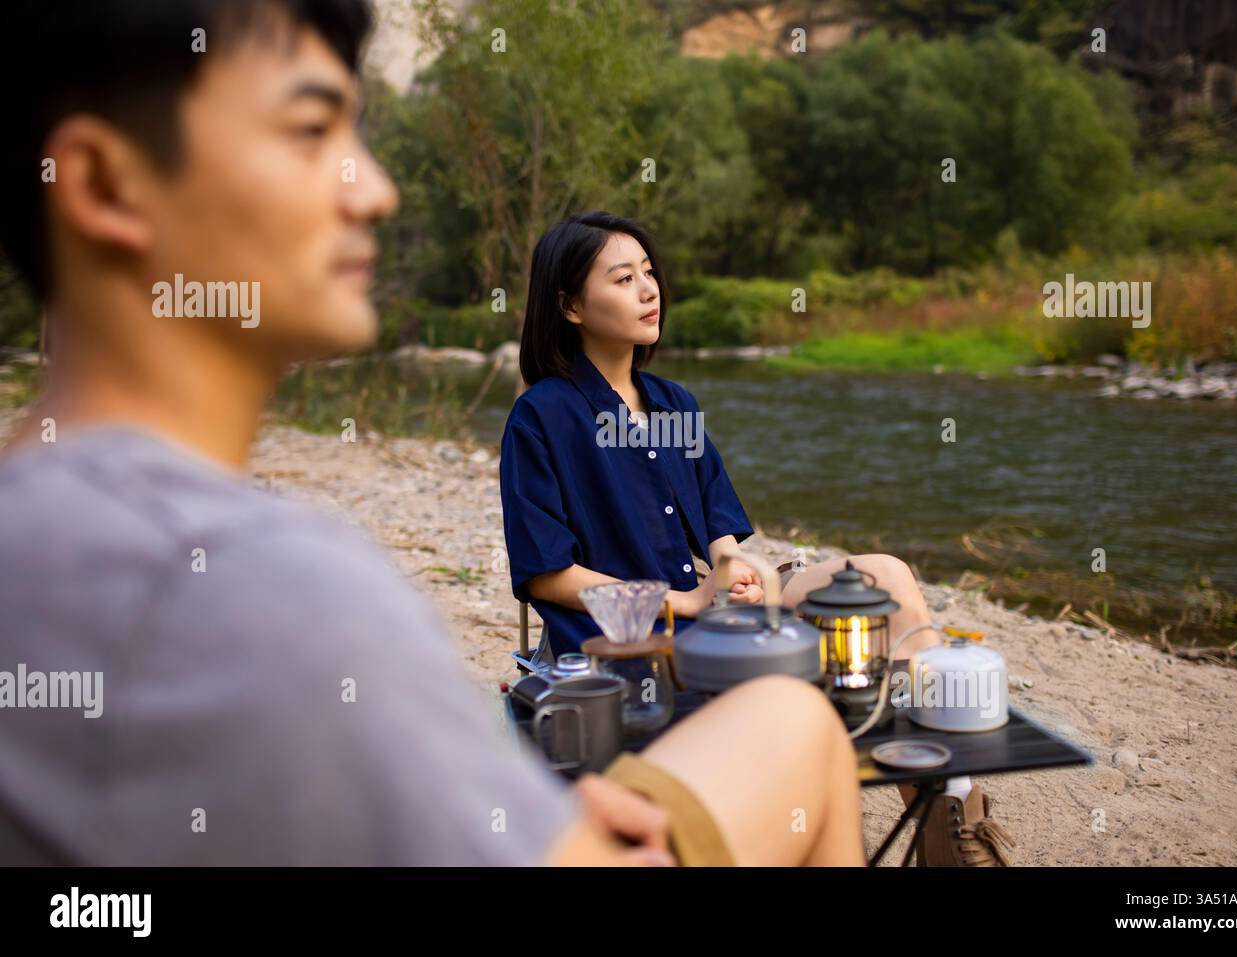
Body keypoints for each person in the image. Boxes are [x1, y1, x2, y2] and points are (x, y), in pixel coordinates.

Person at [0, 0, 868, 867]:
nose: (376, 190)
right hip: (625, 668)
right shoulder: (270, 583)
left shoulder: (42, 524)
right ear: (106, 185)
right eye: (310, 131)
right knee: (794, 724)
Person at [500, 211, 1018, 866]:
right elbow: (546, 573)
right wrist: (681, 600)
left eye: (650, 274)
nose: (649, 290)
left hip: (718, 620)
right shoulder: (543, 415)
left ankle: (953, 810)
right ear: (571, 304)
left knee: (885, 575)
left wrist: (733, 564)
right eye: (624, 278)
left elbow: (717, 524)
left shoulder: (674, 404)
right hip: (636, 643)